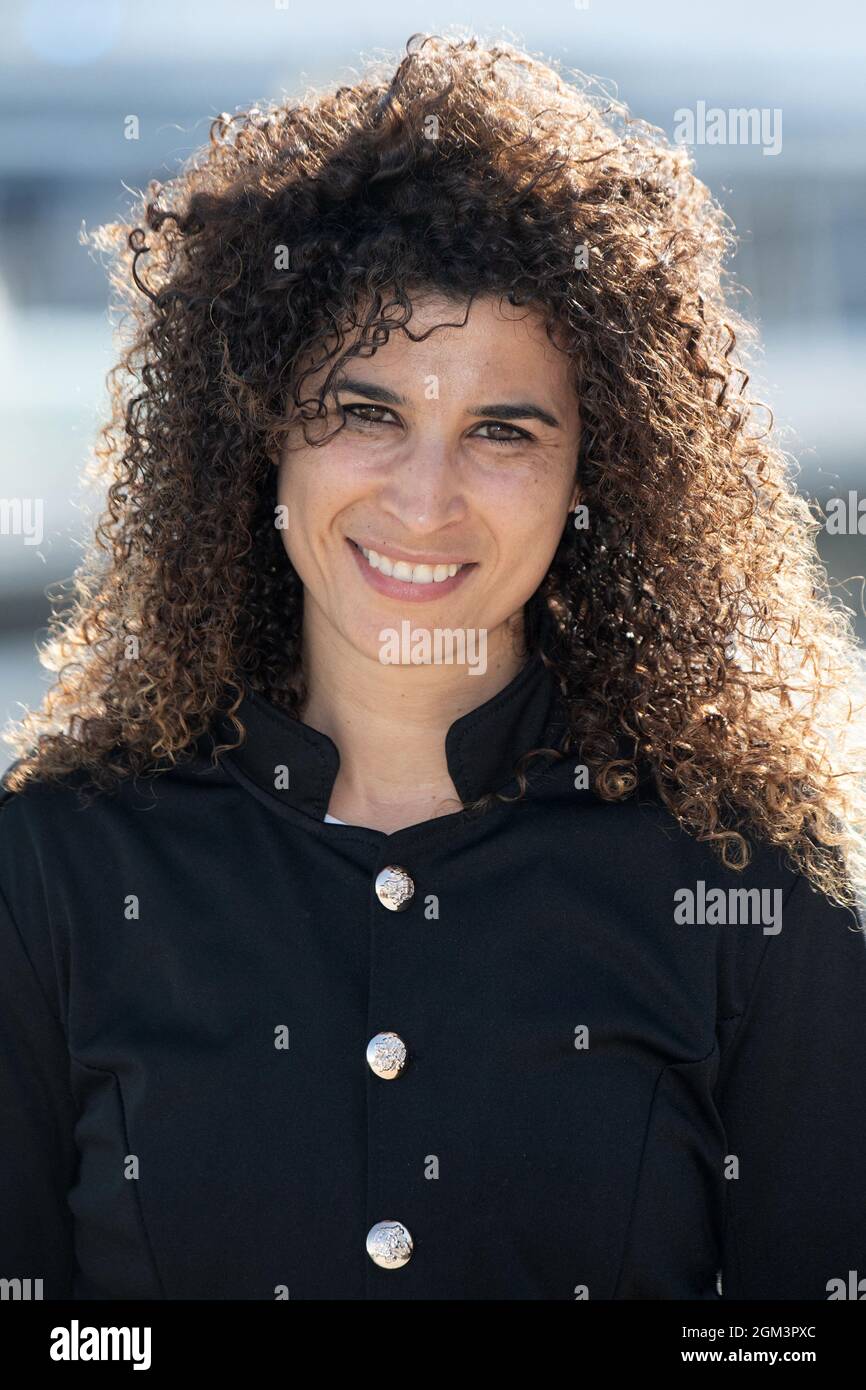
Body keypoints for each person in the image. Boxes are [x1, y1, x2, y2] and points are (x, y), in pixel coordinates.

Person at [1, 33, 865, 1301]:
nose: (424, 497)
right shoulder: (50, 872)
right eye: (366, 412)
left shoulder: (757, 897)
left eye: (501, 431)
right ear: (258, 439)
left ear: (599, 474)